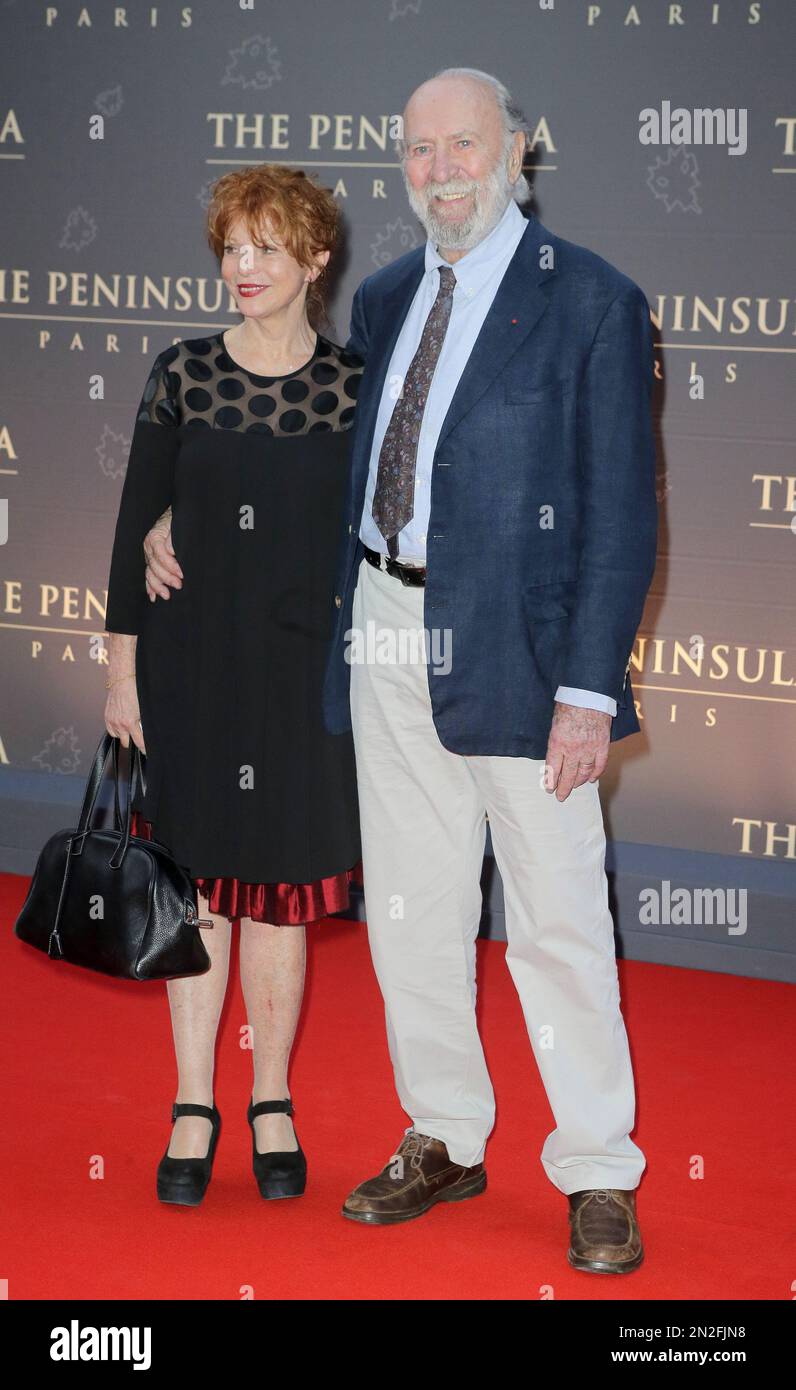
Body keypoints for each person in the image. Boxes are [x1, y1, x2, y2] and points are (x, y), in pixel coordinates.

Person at [321, 67, 657, 1273]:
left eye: (463, 145)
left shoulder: (593, 304)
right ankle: (446, 1134)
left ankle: (598, 1167)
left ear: (516, 150)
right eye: (418, 150)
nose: (441, 170)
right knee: (411, 909)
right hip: (385, 627)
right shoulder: (387, 293)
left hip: (523, 658)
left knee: (557, 923)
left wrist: (586, 691)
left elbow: (619, 517)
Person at [103, 164, 364, 1207]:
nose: (243, 268)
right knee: (202, 894)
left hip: (302, 679)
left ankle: (271, 1098)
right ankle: (193, 1099)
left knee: (284, 904)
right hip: (193, 668)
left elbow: (374, 537)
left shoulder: (353, 387)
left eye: (266, 248)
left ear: (314, 260)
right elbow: (135, 527)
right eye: (230, 248)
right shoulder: (183, 374)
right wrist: (122, 673)